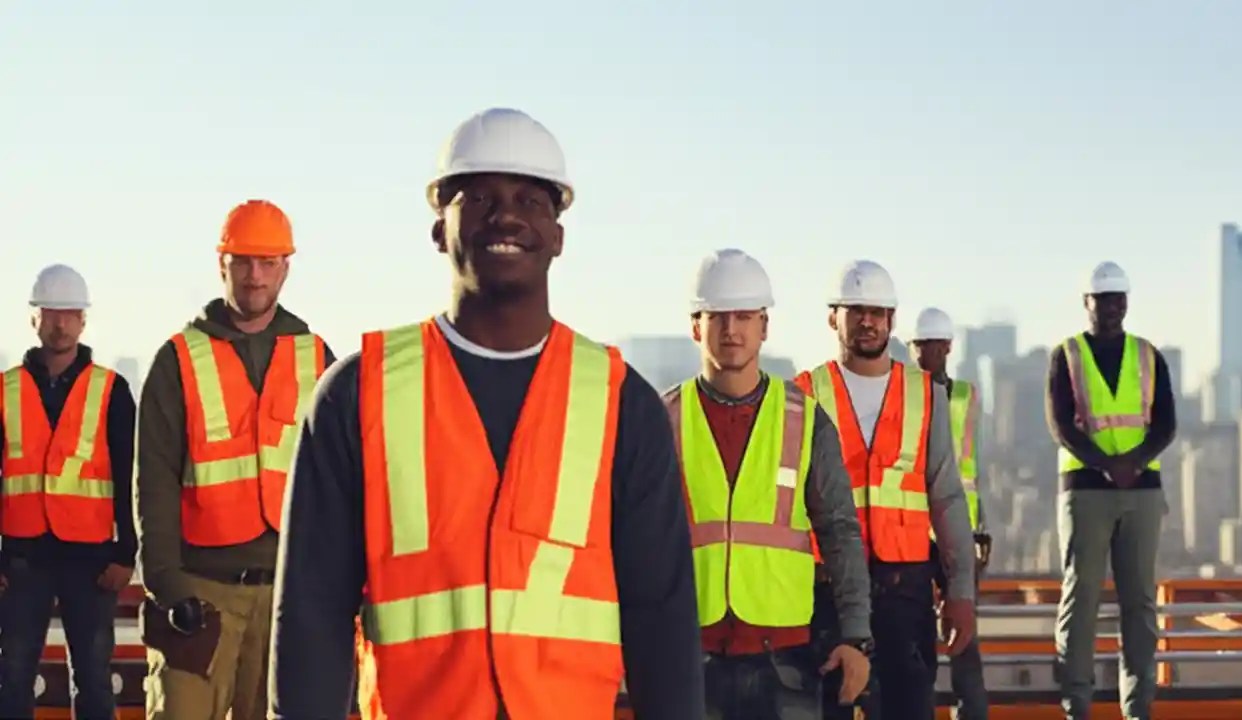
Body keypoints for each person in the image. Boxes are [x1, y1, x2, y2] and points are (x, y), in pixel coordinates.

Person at [268, 107, 704, 720]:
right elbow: (311, 612)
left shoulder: (621, 403)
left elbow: (662, 617)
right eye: (477, 197)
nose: (506, 216)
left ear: (558, 234)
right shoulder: (356, 394)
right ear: (438, 229)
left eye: (531, 200)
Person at [133, 200, 334, 719]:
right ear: (221, 264)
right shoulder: (178, 359)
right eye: (243, 261)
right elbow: (152, 482)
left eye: (268, 262)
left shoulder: (316, 357)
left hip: (283, 597)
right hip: (199, 594)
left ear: (287, 268)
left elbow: (337, 486)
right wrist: (166, 584)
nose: (255, 276)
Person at [664, 248, 873, 719]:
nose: (731, 330)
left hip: (788, 662)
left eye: (744, 316)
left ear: (764, 326)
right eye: (717, 317)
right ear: (697, 327)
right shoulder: (663, 420)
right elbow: (634, 545)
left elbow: (840, 532)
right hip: (690, 658)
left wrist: (856, 638)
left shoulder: (804, 420)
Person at [794, 259, 977, 720]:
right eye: (855, 311)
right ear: (833, 317)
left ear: (892, 320)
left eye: (877, 311)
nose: (867, 321)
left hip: (906, 591)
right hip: (826, 591)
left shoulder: (925, 393)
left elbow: (947, 497)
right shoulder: (802, 394)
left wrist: (961, 592)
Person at [0, 264, 136, 720]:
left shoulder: (111, 391)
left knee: (93, 677)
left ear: (83, 320)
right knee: (13, 676)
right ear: (34, 318)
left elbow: (128, 476)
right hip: (22, 559)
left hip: (91, 560)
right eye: (51, 313)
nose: (60, 323)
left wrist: (126, 552)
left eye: (69, 314)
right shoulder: (5, 390)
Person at [1046, 261, 1175, 720]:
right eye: (1103, 299)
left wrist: (1133, 464)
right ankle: (1075, 706)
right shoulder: (1067, 355)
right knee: (1080, 600)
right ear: (1087, 303)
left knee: (1139, 603)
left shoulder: (1148, 355)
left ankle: (1138, 708)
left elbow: (1166, 424)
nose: (1112, 307)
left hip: (1140, 492)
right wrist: (1106, 465)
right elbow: (1061, 424)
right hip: (1085, 490)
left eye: (1119, 299)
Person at [909, 306, 991, 720]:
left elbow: (975, 466)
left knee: (964, 641)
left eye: (935, 346)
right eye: (922, 346)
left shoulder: (965, 397)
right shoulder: (901, 397)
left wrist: (981, 530)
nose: (929, 354)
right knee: (916, 638)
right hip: (913, 537)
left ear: (948, 347)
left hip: (959, 534)